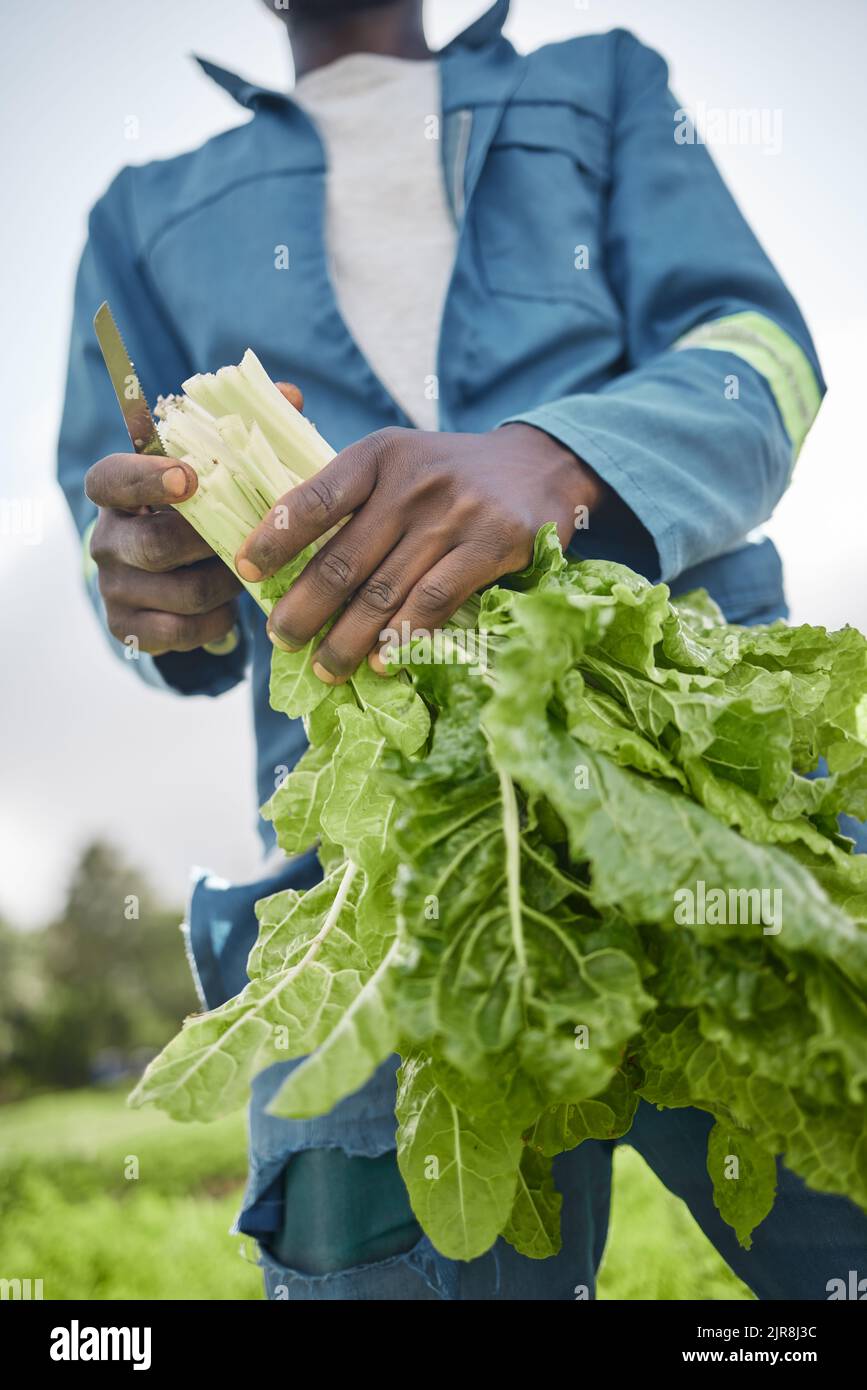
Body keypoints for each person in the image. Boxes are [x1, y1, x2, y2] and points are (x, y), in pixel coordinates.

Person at [58, 0, 866, 1300]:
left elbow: (763, 359)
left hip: (713, 781)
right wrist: (156, 589)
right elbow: (123, 545)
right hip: (385, 878)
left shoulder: (603, 87)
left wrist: (561, 457)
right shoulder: (141, 214)